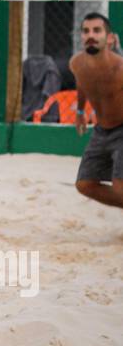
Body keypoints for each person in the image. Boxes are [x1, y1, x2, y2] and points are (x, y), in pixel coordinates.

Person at [72, 11, 123, 213]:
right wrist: (79, 111)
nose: (90, 35)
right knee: (84, 184)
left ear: (109, 38)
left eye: (97, 30)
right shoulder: (76, 63)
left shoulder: (120, 68)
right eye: (86, 31)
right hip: (101, 131)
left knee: (120, 186)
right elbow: (83, 84)